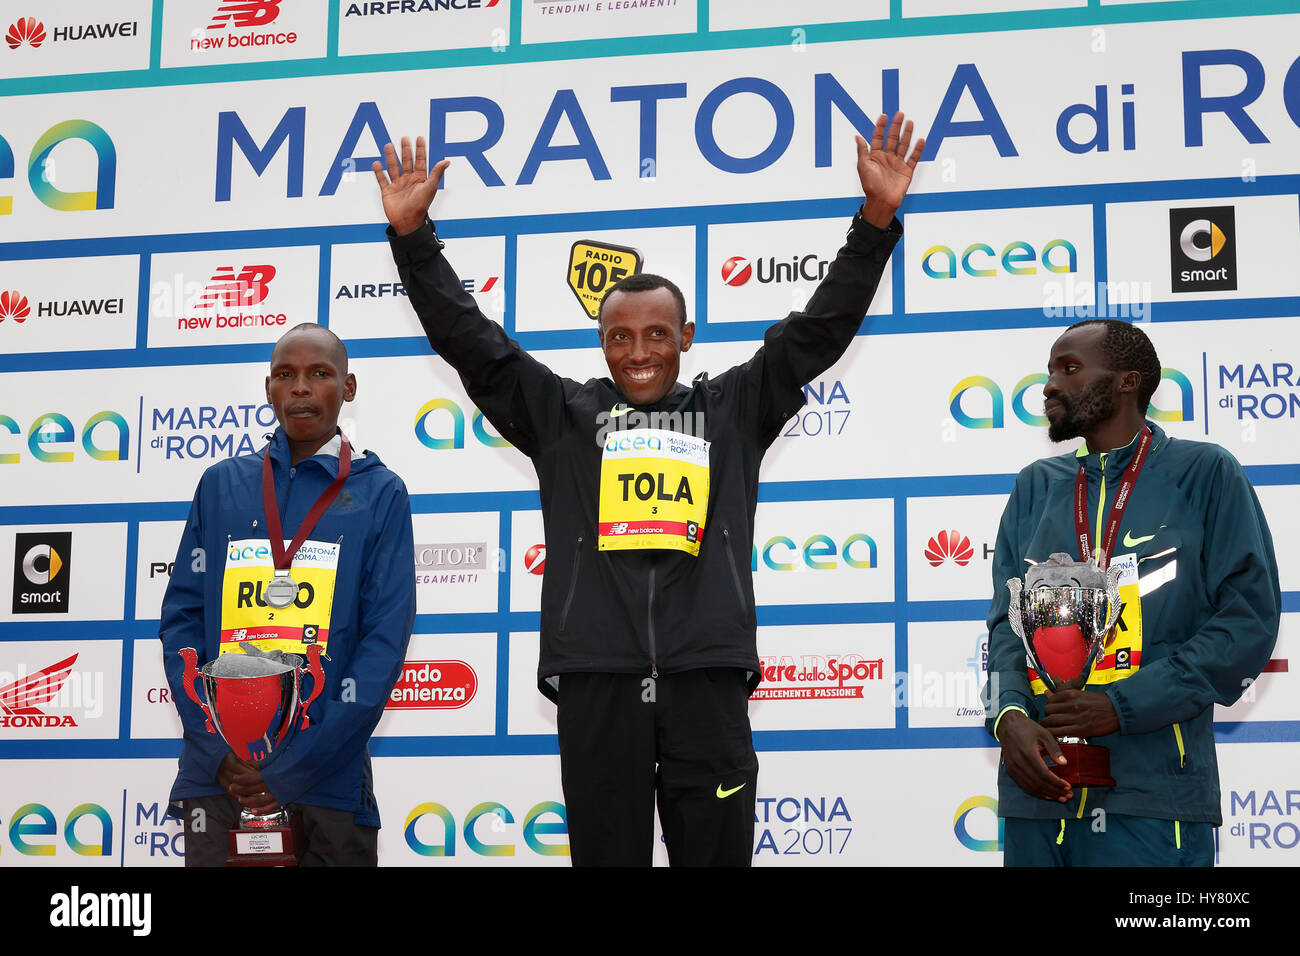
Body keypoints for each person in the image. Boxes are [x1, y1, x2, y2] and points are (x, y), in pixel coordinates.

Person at [374, 113, 923, 866]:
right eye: (621, 336)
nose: (639, 351)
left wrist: (876, 220)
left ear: (686, 336)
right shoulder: (564, 417)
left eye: (657, 334)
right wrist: (412, 238)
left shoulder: (731, 411)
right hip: (599, 677)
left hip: (706, 679)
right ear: (602, 343)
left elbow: (817, 331)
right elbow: (474, 344)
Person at [983, 318, 1280, 866]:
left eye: (1069, 369)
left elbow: (1247, 624)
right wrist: (1010, 719)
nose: (1050, 385)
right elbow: (1007, 625)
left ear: (1127, 381)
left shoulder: (1204, 472)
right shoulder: (1034, 486)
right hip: (1038, 795)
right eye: (1050, 370)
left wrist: (1121, 706)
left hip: (1152, 796)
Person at [160, 323, 415, 866]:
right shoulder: (220, 484)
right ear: (268, 388)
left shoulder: (379, 493)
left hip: (327, 775)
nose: (300, 387)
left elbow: (383, 642)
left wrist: (295, 766)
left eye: (319, 374)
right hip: (220, 776)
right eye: (286, 375)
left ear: (347, 388)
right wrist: (214, 746)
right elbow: (182, 622)